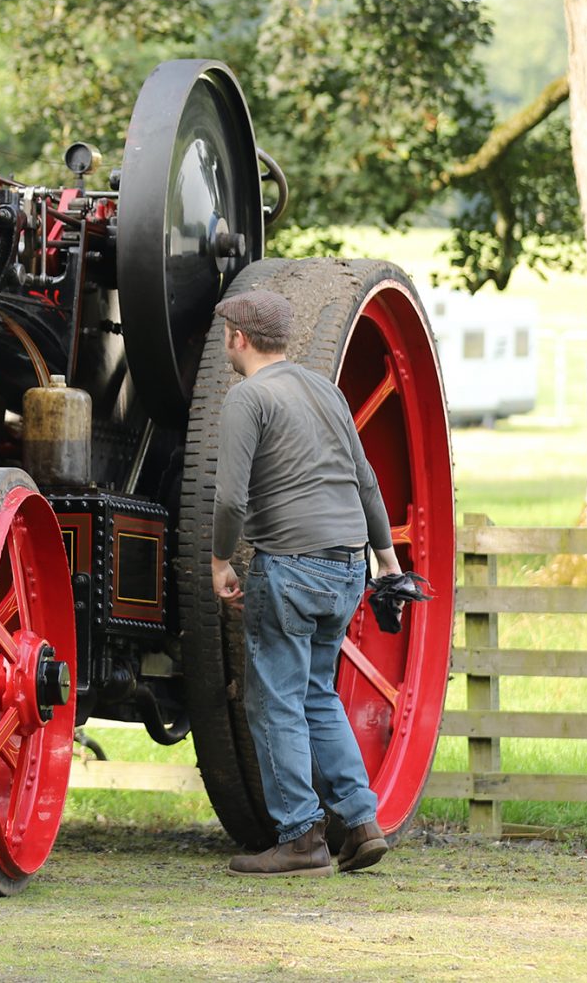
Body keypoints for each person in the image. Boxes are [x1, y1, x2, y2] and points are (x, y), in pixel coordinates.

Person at [207, 289, 404, 877]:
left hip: (290, 567)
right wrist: (387, 558)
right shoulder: (327, 392)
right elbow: (366, 480)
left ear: (239, 338)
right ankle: (362, 822)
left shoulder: (249, 397)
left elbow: (229, 498)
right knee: (318, 693)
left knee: (275, 702)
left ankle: (301, 838)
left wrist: (221, 563)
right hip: (347, 566)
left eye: (225, 335)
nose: (224, 343)